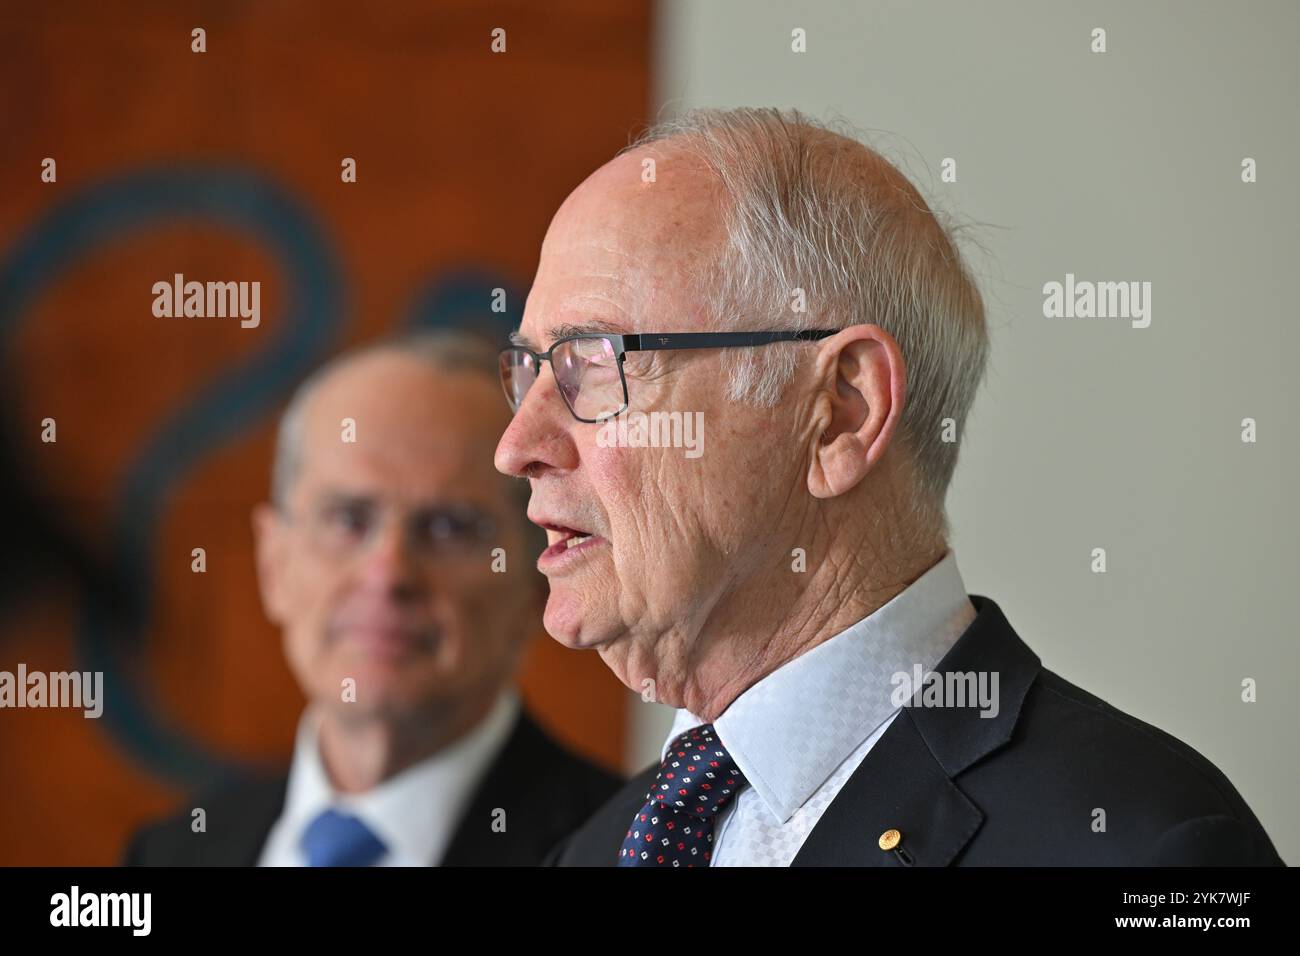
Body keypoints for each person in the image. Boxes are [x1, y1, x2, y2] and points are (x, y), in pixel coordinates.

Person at [493, 107, 1284, 866]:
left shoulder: (1143, 851)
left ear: (841, 413)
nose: (515, 447)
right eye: (528, 368)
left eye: (591, 364)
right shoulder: (599, 849)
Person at [126, 330, 621, 866]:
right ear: (275, 563)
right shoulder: (170, 854)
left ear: (532, 583)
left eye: (449, 527)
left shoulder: (620, 851)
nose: (388, 574)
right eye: (348, 519)